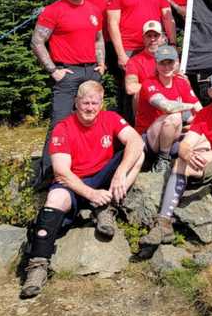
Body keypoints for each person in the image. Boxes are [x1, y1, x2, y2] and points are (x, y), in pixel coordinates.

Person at [21, 81, 145, 298]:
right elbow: (61, 172)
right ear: (76, 102)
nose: (89, 108)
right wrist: (90, 194)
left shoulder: (110, 117)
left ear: (101, 103)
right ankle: (37, 265)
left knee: (138, 155)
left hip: (102, 176)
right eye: (85, 103)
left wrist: (119, 173)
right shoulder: (63, 127)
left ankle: (108, 208)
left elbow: (135, 140)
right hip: (74, 182)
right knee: (56, 198)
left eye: (94, 103)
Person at [140, 70, 212, 249]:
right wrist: (187, 154)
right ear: (210, 92)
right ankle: (164, 222)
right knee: (181, 162)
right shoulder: (204, 114)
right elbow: (186, 144)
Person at [30, 0, 107, 176]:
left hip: (91, 72)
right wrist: (53, 70)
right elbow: (37, 41)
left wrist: (101, 65)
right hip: (67, 73)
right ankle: (47, 173)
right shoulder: (53, 10)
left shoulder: (93, 10)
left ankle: (89, 167)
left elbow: (99, 39)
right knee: (60, 122)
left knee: (93, 119)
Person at [107, 0, 176, 121]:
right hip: (130, 48)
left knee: (163, 86)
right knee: (129, 93)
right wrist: (121, 54)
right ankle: (128, 136)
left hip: (156, 46)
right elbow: (112, 23)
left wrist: (173, 44)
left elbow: (167, 17)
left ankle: (163, 132)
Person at [134, 45, 201, 176]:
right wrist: (190, 106)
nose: (166, 67)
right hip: (148, 137)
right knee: (174, 116)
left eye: (169, 62)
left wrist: (196, 124)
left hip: (171, 135)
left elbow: (200, 111)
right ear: (156, 64)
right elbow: (167, 107)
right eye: (162, 63)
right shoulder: (149, 83)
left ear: (176, 63)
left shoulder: (181, 82)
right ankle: (163, 159)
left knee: (199, 129)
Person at [123, 20, 166, 101]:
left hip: (171, 100)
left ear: (162, 38)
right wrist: (158, 89)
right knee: (137, 95)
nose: (152, 39)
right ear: (143, 38)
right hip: (148, 102)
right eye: (149, 36)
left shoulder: (170, 57)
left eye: (156, 35)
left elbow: (182, 81)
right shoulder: (134, 61)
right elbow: (130, 88)